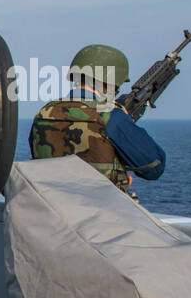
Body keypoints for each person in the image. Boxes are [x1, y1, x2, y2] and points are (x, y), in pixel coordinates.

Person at [29, 43, 167, 198]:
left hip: (53, 210)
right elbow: (154, 168)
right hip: (102, 215)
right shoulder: (112, 116)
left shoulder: (45, 113)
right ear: (110, 82)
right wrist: (125, 121)